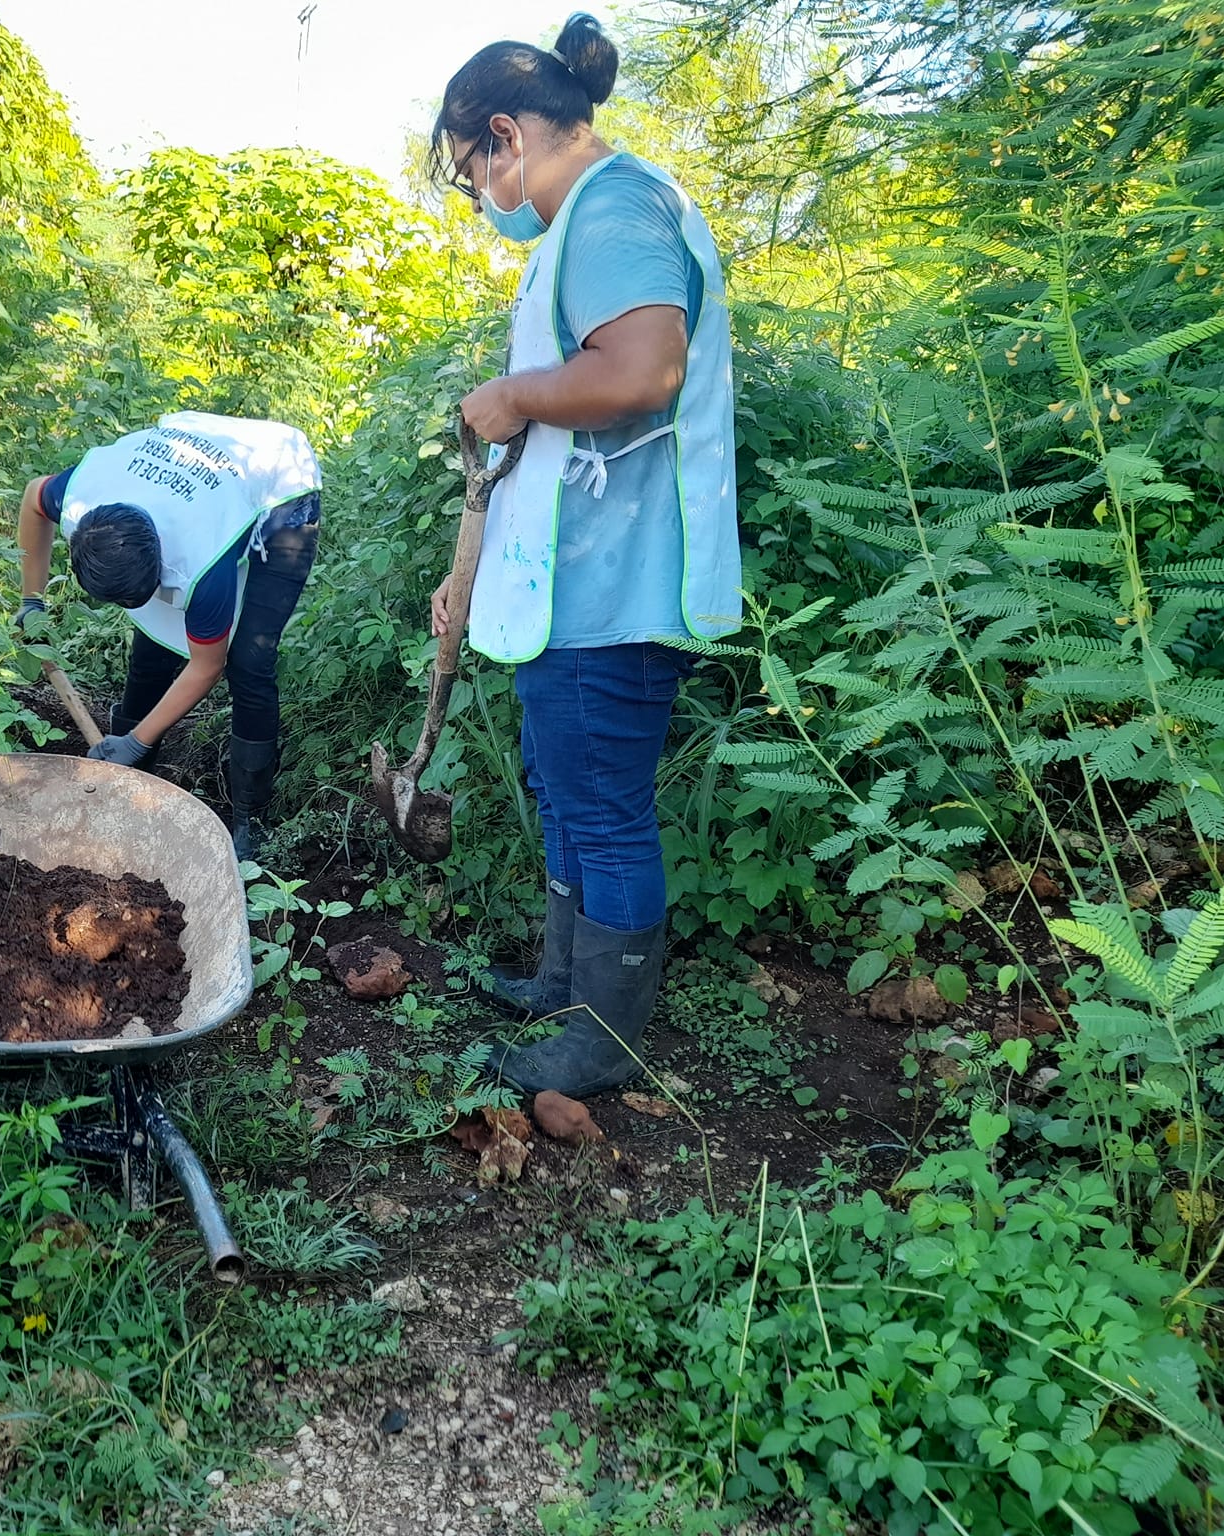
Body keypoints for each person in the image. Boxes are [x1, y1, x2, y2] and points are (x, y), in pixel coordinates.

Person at [427, 12, 742, 1098]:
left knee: (602, 808)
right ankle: (567, 981)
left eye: (470, 172)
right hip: (573, 585)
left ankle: (598, 1046)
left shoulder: (613, 208)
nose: (478, 197)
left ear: (504, 135)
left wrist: (508, 394)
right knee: (566, 794)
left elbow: (640, 370)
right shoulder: (586, 223)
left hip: (614, 586)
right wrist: (468, 575)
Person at [15, 411, 321, 862]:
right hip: (192, 457)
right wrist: (31, 601)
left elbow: (207, 665)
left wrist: (136, 740)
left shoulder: (203, 564)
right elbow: (31, 499)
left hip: (280, 485)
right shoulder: (82, 500)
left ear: (162, 561)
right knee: (156, 644)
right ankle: (129, 782)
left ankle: (250, 821)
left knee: (249, 662)